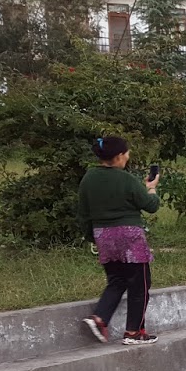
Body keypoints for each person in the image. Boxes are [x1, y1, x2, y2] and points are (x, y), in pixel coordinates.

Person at [76, 134, 161, 346]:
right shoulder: (126, 179)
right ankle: (134, 332)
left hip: (102, 235)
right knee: (140, 283)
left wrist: (92, 237)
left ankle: (99, 318)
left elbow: (83, 213)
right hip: (129, 237)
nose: (128, 156)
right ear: (120, 156)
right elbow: (150, 205)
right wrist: (151, 188)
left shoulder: (88, 179)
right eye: (127, 153)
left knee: (117, 280)